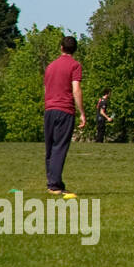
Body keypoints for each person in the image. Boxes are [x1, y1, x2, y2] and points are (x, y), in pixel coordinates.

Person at [43, 35, 85, 195]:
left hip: (49, 109)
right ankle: (54, 185)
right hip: (65, 110)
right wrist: (82, 112)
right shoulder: (75, 66)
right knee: (60, 147)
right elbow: (76, 89)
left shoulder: (50, 66)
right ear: (75, 50)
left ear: (61, 47)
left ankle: (53, 182)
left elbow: (46, 89)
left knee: (50, 147)